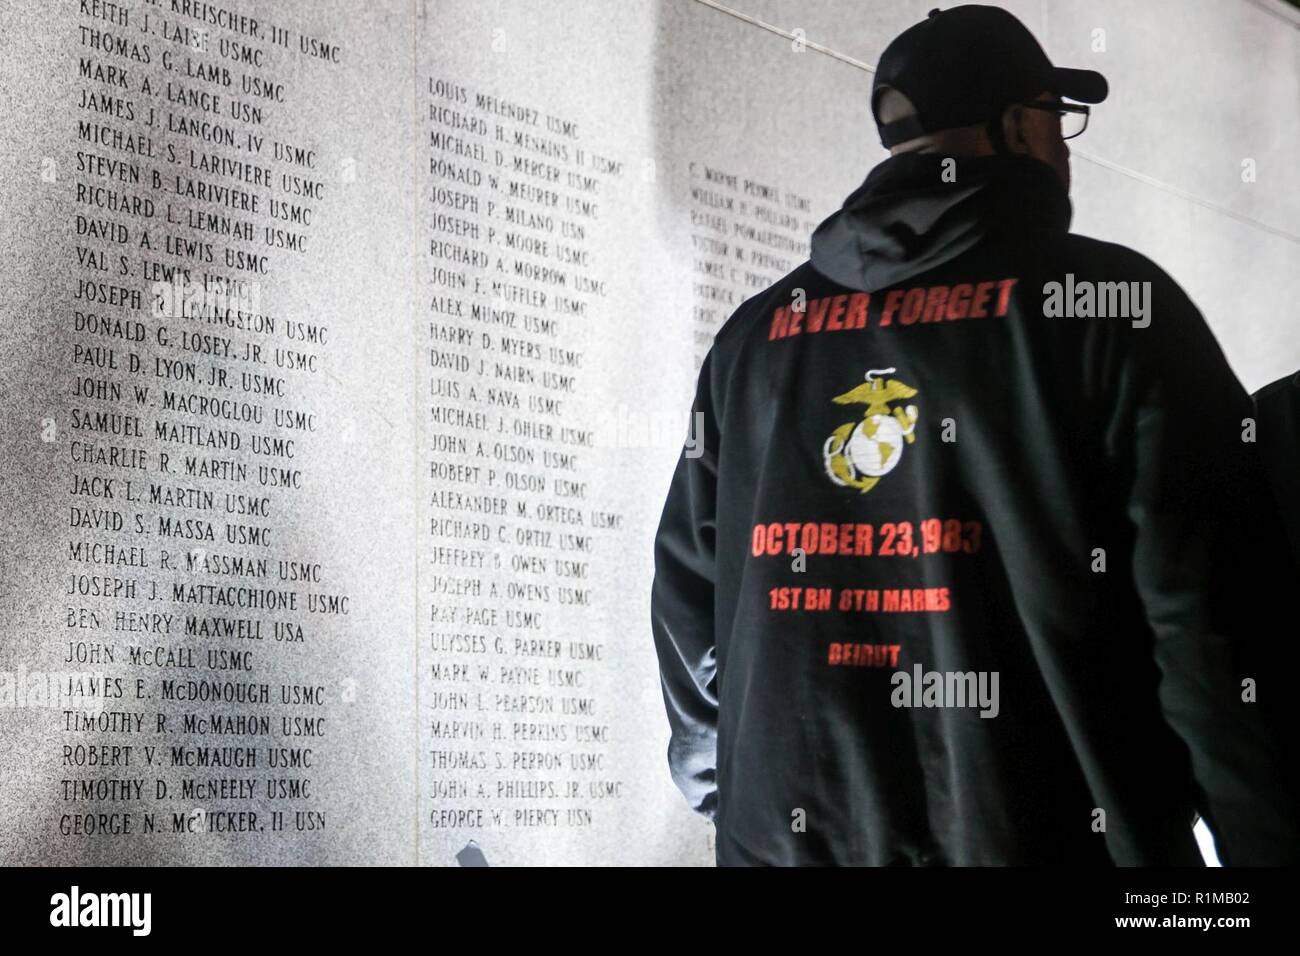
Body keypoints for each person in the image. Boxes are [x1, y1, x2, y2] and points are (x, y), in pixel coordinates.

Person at [650, 4, 1298, 866]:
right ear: (1021, 127)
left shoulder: (757, 339)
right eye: (1059, 121)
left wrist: (738, 792)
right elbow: (1211, 628)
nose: (1069, 148)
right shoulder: (1116, 315)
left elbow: (688, 594)